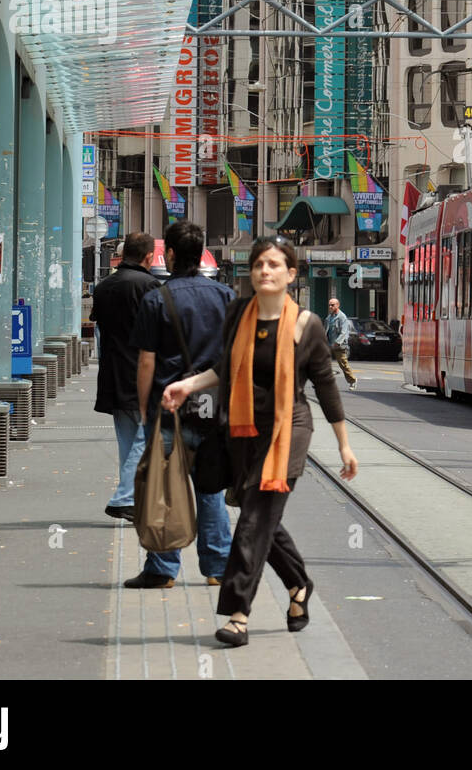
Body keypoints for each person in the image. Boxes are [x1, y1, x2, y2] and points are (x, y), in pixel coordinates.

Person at [162, 236, 358, 645]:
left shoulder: (307, 325)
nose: (264, 271)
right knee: (262, 516)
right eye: (258, 265)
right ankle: (298, 584)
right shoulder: (238, 313)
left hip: (289, 431)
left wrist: (344, 444)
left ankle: (237, 613)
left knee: (252, 519)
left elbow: (325, 385)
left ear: (291, 274)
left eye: (273, 265)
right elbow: (224, 367)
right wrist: (187, 385)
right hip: (243, 429)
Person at [124, 221, 236, 590]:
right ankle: (218, 567)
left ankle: (162, 567)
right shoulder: (224, 296)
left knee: (164, 489)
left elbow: (146, 361)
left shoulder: (157, 298)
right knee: (210, 490)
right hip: (214, 409)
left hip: (169, 410)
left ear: (168, 254)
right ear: (201, 253)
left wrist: (145, 409)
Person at [90, 232, 159, 520]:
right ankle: (124, 497)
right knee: (149, 437)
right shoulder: (150, 286)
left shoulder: (104, 287)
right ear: (148, 257)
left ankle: (133, 502)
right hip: (141, 374)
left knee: (128, 443)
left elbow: (100, 332)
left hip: (112, 375)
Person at [325, 298, 359, 391]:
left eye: (332, 305)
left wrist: (337, 342)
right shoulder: (329, 317)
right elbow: (326, 331)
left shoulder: (342, 317)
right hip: (329, 344)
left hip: (338, 345)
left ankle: (352, 381)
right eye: (329, 305)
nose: (330, 307)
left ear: (338, 305)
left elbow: (344, 332)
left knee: (343, 364)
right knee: (323, 363)